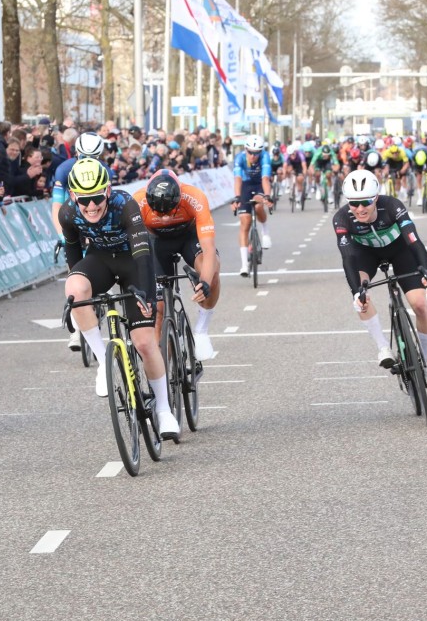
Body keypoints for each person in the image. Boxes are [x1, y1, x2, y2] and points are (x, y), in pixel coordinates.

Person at [58, 158, 180, 439]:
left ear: (108, 191)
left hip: (133, 261)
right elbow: (74, 257)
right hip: (101, 260)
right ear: (74, 196)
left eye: (97, 198)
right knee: (74, 286)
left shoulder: (125, 205)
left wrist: (146, 294)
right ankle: (104, 361)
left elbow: (142, 254)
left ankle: (163, 409)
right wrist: (78, 301)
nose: (91, 206)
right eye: (84, 200)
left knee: (145, 342)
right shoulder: (67, 214)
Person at [332, 170, 427, 384]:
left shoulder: (392, 206)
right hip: (365, 255)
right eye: (354, 204)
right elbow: (348, 259)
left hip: (400, 251)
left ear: (375, 198)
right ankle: (383, 347)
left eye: (365, 202)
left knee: (420, 305)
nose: (360, 209)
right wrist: (357, 292)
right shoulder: (341, 218)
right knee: (361, 297)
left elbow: (414, 242)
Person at [132, 170, 220, 361]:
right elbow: (134, 249)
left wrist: (204, 282)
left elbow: (209, 250)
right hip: (155, 241)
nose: (165, 219)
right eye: (159, 214)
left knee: (211, 271)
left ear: (179, 200)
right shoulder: (137, 202)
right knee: (159, 310)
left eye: (170, 212)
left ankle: (202, 331)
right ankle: (163, 374)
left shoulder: (194, 197)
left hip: (187, 237)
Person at [232, 135, 273, 276]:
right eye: (250, 152)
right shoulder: (239, 158)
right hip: (245, 185)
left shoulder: (265, 157)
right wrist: (237, 198)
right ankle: (244, 265)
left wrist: (267, 196)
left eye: (257, 153)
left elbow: (265, 179)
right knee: (245, 222)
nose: (253, 156)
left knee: (258, 206)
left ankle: (265, 231)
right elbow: (237, 179)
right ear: (245, 150)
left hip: (260, 184)